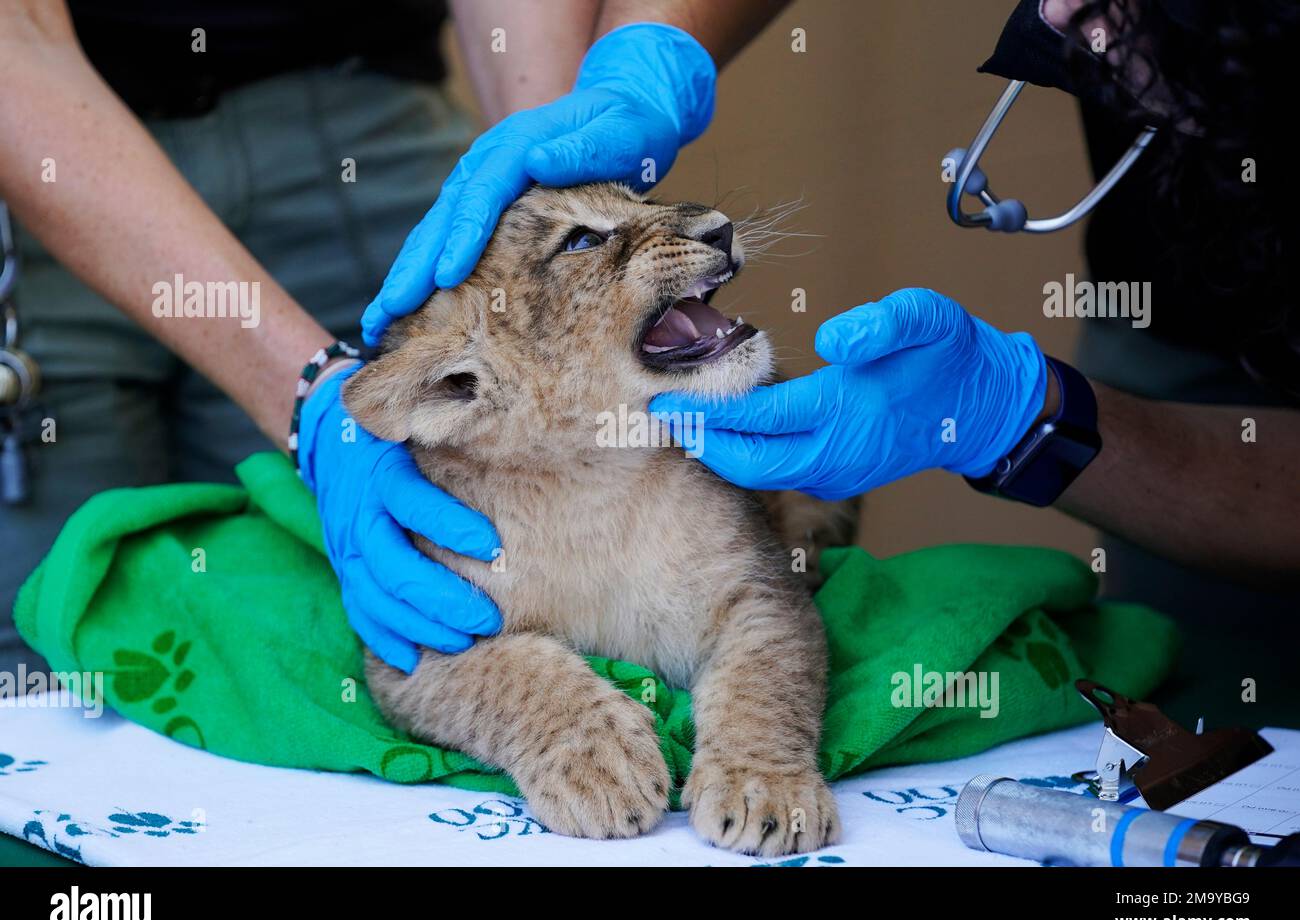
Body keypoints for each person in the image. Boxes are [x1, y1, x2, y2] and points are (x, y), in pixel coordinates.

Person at [359, 0, 1298, 725]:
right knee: (1208, 679)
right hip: (1188, 314)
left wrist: (1019, 416)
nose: (1049, 15)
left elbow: (764, 624)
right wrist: (654, 51)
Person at [0, 0, 783, 674]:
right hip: (44, 153)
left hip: (354, 115)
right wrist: (313, 394)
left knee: (390, 621)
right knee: (63, 657)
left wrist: (558, 192)